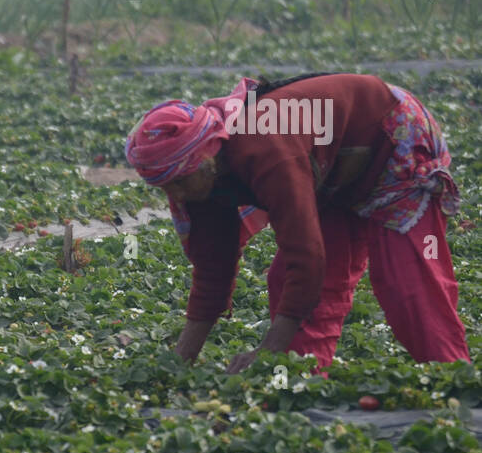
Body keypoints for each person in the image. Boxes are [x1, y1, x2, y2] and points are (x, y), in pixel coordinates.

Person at [125, 72, 469, 373]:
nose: (177, 196)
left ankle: (452, 380)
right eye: (166, 187)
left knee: (405, 281)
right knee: (285, 281)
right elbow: (213, 266)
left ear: (208, 158)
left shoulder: (264, 148)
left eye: (179, 183)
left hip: (392, 140)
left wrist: (267, 350)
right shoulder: (197, 176)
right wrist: (179, 360)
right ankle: (302, 376)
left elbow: (304, 254)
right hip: (335, 171)